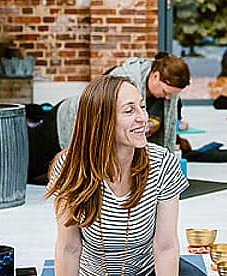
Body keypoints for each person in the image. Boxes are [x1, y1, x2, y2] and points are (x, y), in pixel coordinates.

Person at [31, 75, 220, 276]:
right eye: (129, 111)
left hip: (144, 268)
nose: (143, 117)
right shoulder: (69, 167)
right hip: (92, 274)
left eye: (141, 107)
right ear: (101, 120)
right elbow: (69, 247)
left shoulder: (163, 163)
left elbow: (165, 245)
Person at [27, 53, 191, 184]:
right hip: (67, 119)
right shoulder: (124, 78)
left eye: (172, 94)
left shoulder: (168, 98)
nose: (168, 98)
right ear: (155, 76)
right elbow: (103, 122)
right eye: (165, 91)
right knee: (35, 168)